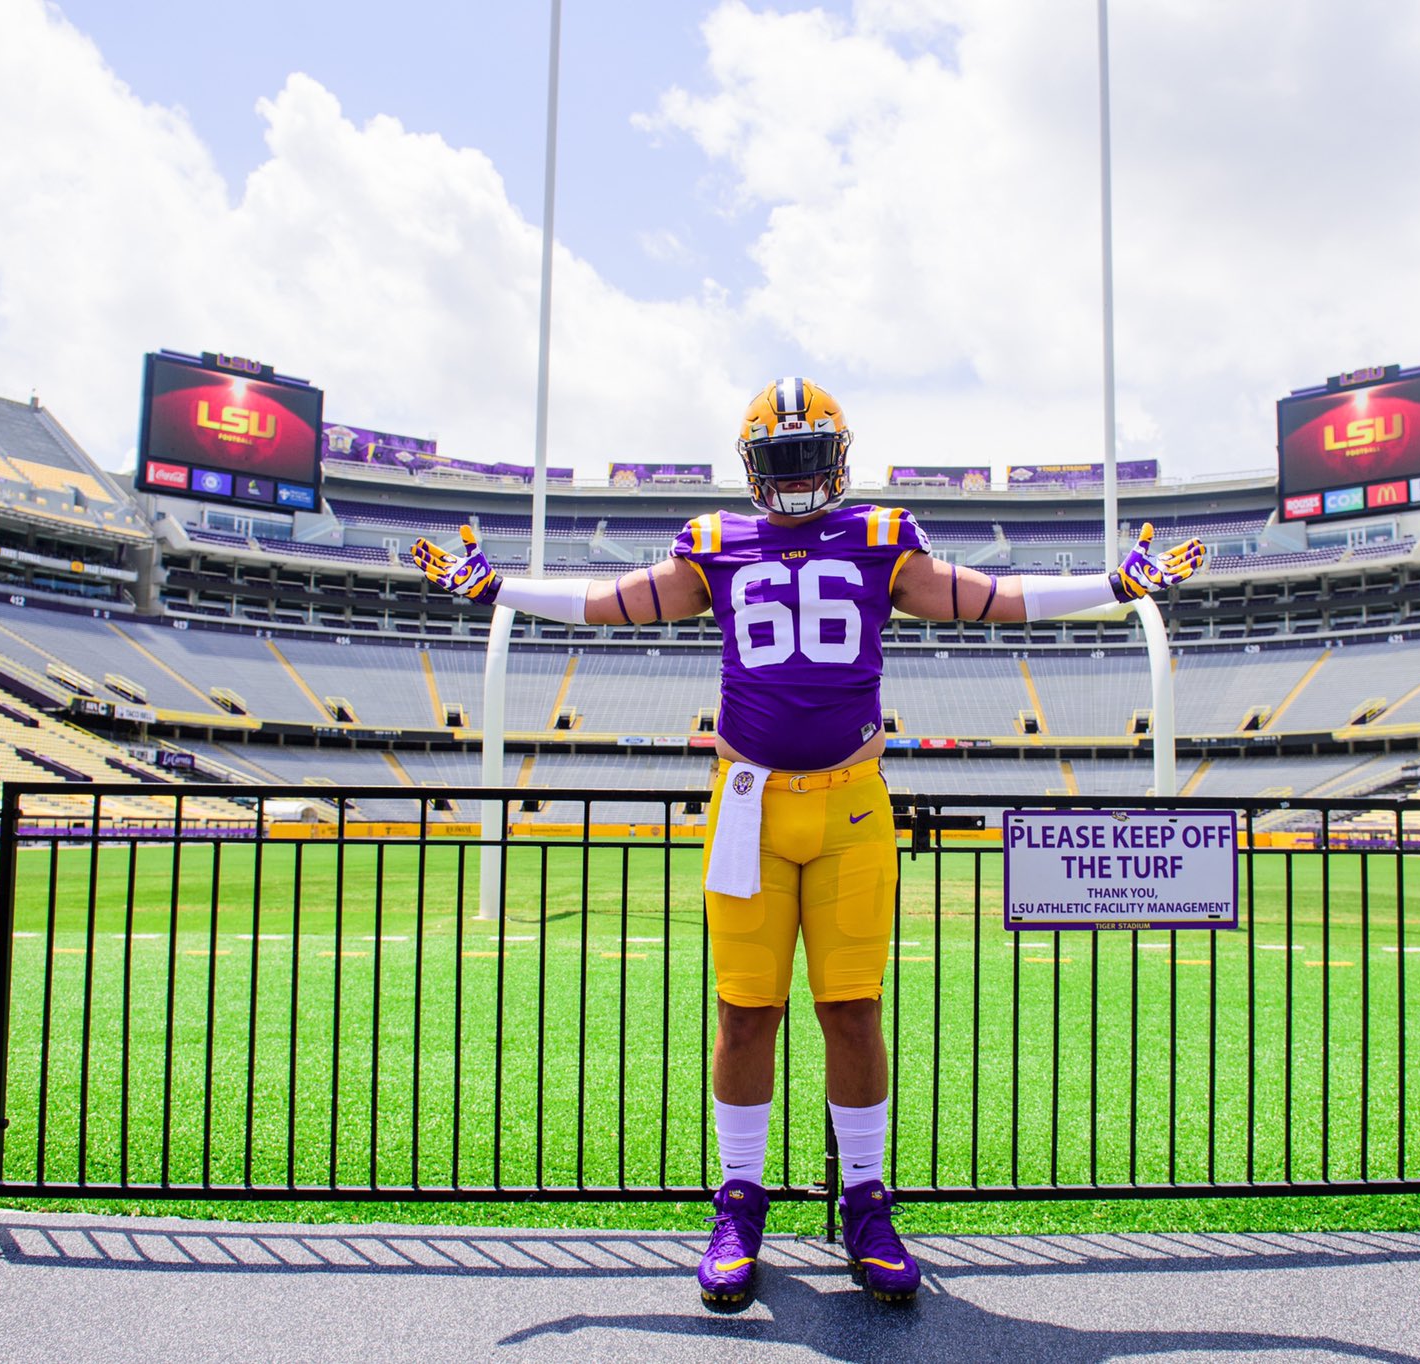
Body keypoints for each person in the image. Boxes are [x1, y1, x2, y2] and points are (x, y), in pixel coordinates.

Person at [412, 377, 1205, 1310]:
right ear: (755, 466)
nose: (795, 478)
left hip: (852, 809)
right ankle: (738, 1203)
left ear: (836, 457)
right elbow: (611, 601)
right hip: (747, 802)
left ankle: (866, 1201)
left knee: (852, 1011)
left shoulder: (882, 539)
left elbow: (990, 599)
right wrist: (503, 589)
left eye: (807, 458)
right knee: (746, 1013)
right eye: (779, 460)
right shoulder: (712, 545)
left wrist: (1111, 587)